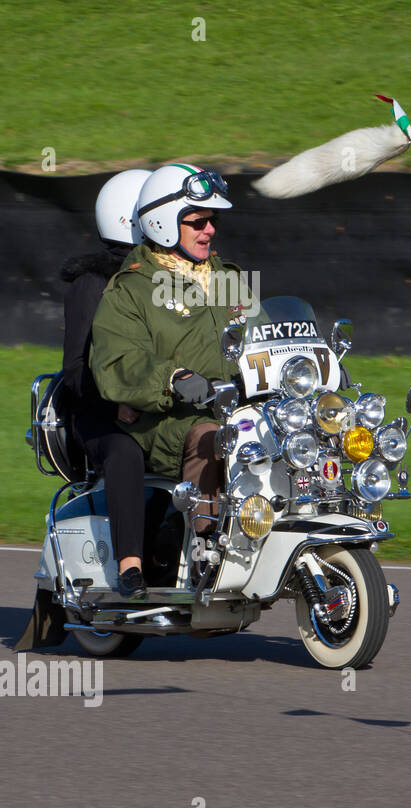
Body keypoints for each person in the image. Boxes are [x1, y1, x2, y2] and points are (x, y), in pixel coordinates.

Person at [90, 163, 243, 539]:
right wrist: (172, 378)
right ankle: (206, 545)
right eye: (198, 222)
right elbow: (117, 361)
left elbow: (266, 335)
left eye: (212, 221)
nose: (209, 229)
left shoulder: (228, 279)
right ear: (161, 222)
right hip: (169, 419)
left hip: (234, 407)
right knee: (212, 436)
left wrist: (307, 362)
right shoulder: (131, 289)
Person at [61, 170, 152, 597]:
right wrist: (116, 402)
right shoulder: (92, 284)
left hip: (157, 406)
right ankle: (129, 565)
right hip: (99, 417)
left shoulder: (173, 277)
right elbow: (75, 370)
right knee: (125, 451)